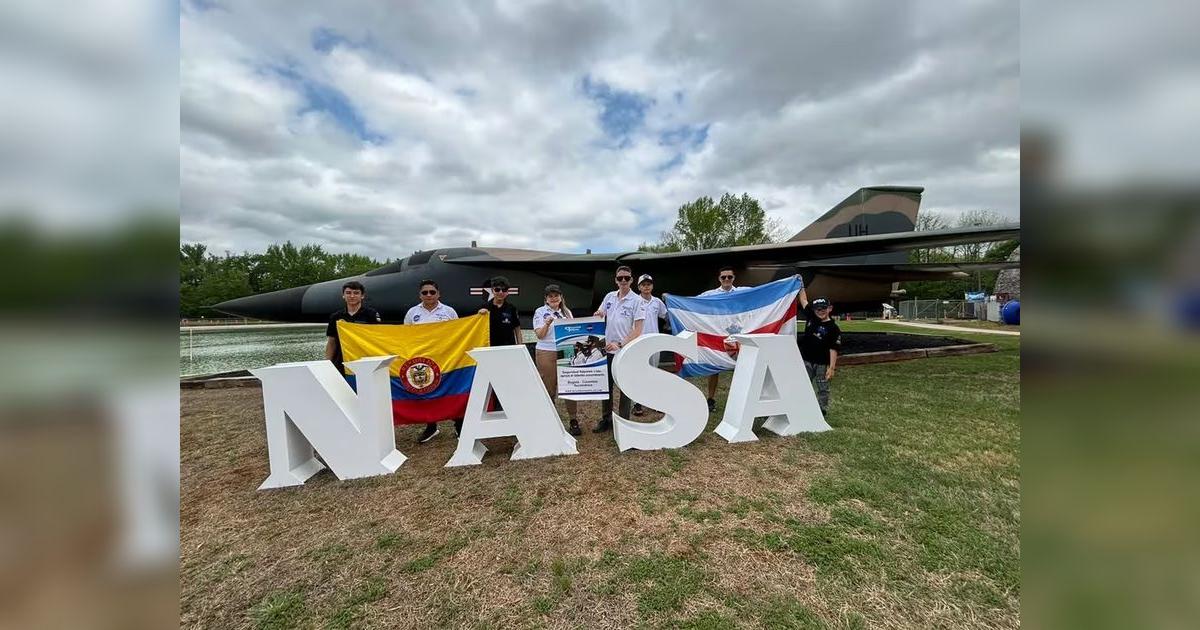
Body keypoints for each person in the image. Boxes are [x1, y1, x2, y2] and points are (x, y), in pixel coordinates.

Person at [403, 280, 460, 443]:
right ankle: (431, 426)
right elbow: (405, 336)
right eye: (425, 292)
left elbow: (459, 333)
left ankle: (459, 425)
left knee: (451, 389)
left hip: (446, 357)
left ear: (438, 294)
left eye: (432, 292)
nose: (429, 295)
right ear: (420, 295)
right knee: (427, 391)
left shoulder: (449, 312)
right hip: (424, 360)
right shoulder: (412, 313)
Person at [592, 266, 646, 432]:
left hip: (624, 351)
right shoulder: (609, 296)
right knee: (606, 386)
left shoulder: (637, 301)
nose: (623, 281)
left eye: (627, 278)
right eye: (620, 278)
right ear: (616, 280)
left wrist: (620, 344)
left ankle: (624, 423)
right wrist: (597, 314)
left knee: (624, 387)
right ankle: (606, 419)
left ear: (631, 280)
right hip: (607, 350)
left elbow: (637, 330)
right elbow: (601, 312)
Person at [697, 266, 749, 412]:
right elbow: (692, 302)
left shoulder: (742, 291)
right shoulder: (711, 294)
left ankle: (741, 401)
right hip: (718, 334)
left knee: (742, 368)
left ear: (734, 278)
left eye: (729, 277)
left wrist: (791, 282)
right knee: (714, 368)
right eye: (723, 277)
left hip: (737, 335)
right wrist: (670, 298)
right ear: (719, 279)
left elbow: (765, 291)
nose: (726, 279)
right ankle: (711, 399)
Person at [532, 284, 581, 436]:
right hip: (546, 350)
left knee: (568, 386)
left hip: (565, 350)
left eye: (556, 295)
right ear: (546, 299)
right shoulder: (540, 312)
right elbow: (539, 334)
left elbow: (575, 333)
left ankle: (573, 420)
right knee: (549, 387)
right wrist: (547, 323)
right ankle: (550, 420)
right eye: (550, 296)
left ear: (561, 297)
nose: (554, 298)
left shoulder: (567, 313)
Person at [324, 280, 383, 375]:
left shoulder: (371, 315)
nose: (352, 296)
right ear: (343, 296)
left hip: (365, 361)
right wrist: (327, 364)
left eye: (356, 293)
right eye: (348, 293)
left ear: (362, 296)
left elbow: (378, 340)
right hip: (341, 361)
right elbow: (332, 342)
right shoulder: (336, 316)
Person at [797, 290, 841, 417]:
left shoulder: (833, 328)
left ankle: (821, 409)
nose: (820, 311)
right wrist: (801, 287)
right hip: (806, 360)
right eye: (817, 309)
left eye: (823, 309)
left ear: (830, 309)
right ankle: (801, 406)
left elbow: (834, 349)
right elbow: (804, 301)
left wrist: (831, 368)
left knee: (823, 387)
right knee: (804, 384)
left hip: (822, 363)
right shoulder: (811, 316)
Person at [631, 274, 668, 416]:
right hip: (637, 342)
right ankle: (637, 404)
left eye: (649, 284)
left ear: (652, 286)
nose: (646, 287)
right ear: (639, 287)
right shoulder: (634, 301)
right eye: (643, 284)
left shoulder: (657, 302)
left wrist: (670, 301)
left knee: (653, 372)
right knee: (638, 373)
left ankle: (654, 401)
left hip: (654, 342)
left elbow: (666, 316)